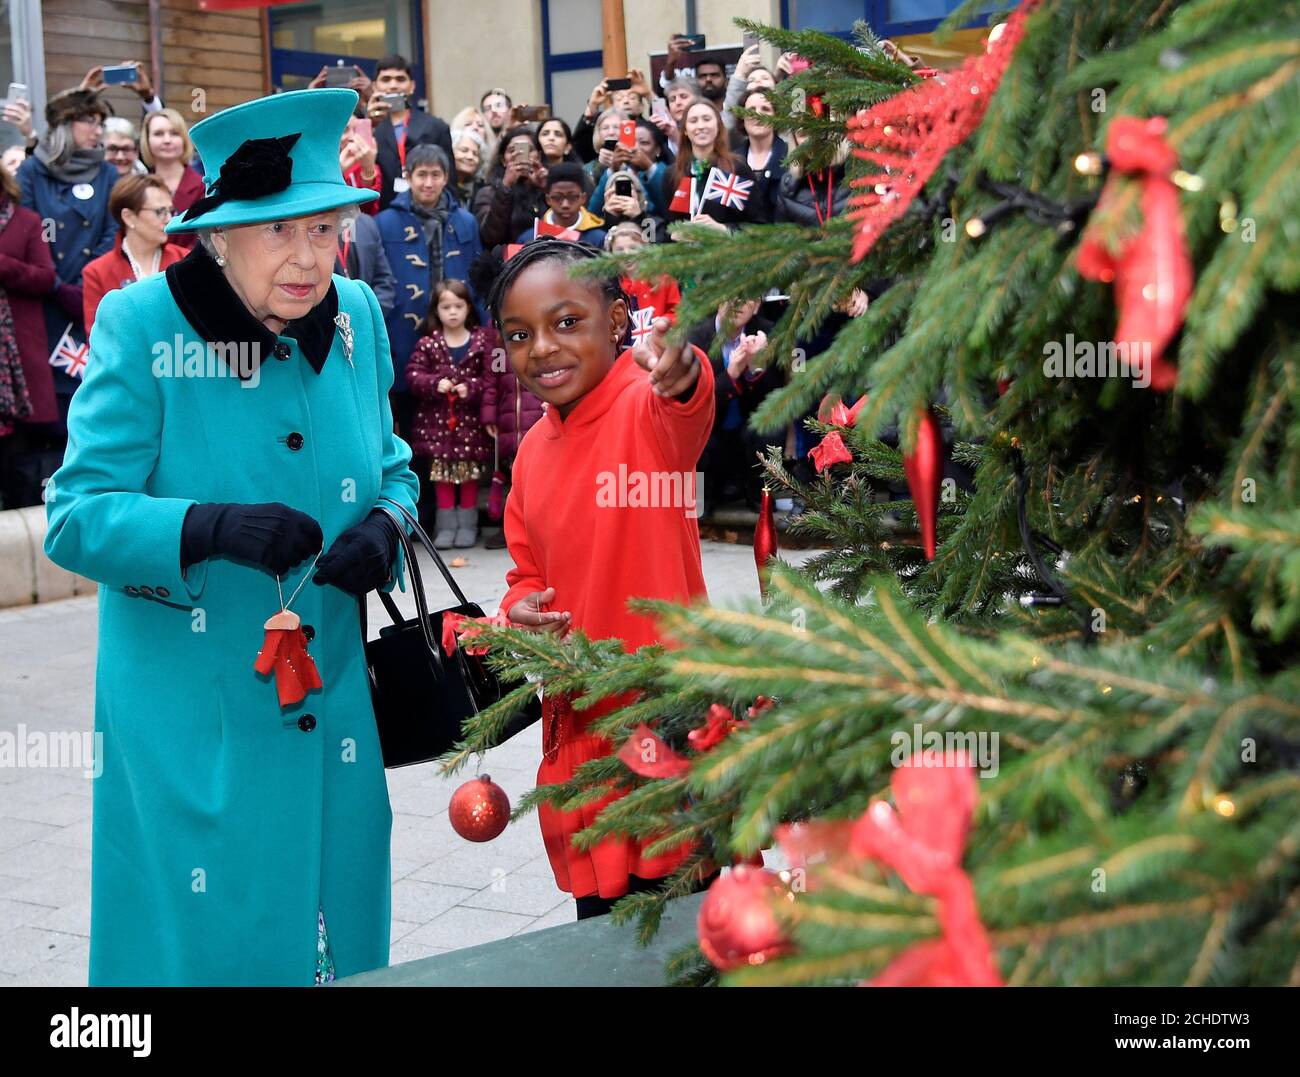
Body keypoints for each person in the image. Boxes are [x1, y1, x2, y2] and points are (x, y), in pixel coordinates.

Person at [43, 86, 419, 987]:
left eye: (324, 228)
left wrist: (385, 525)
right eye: (279, 231)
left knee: (341, 933)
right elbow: (75, 513)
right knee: (205, 948)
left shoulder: (360, 316)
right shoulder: (141, 323)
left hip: (330, 708)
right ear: (217, 234)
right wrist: (205, 527)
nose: (308, 258)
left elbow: (396, 466)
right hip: (193, 721)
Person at [488, 238, 716, 917]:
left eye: (566, 322)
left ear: (618, 322)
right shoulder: (530, 449)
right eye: (520, 334)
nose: (544, 349)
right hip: (582, 730)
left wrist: (682, 372)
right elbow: (524, 571)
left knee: (684, 930)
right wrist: (519, 606)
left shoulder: (645, 408)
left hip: (662, 721)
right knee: (603, 935)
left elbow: (686, 402)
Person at [17, 87, 119, 422]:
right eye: (89, 121)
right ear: (65, 124)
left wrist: (85, 282)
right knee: (53, 397)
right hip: (47, 297)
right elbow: (28, 230)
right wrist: (57, 285)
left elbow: (111, 229)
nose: (98, 130)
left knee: (94, 390)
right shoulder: (32, 170)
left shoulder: (108, 173)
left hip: (90, 295)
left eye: (101, 122)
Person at [377, 143, 484, 445]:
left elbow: (476, 278)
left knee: (456, 416)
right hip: (404, 330)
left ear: (446, 176)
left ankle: (447, 491)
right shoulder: (385, 222)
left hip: (455, 327)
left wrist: (482, 328)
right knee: (408, 414)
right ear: (407, 176)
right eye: (421, 174)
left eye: (435, 175)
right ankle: (415, 490)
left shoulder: (465, 220)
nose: (428, 182)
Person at [405, 279, 495, 548]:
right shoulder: (428, 343)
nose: (453, 312)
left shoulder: (482, 340)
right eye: (446, 307)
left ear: (468, 307)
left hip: (469, 426)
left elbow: (490, 377)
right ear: (437, 310)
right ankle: (446, 527)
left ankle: (468, 525)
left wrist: (472, 387)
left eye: (459, 305)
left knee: (467, 475)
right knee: (442, 475)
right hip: (437, 426)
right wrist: (434, 383)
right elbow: (412, 375)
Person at [688, 298, 783, 517]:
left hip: (746, 430)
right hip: (711, 428)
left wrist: (755, 368)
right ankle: (702, 497)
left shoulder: (768, 332)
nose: (738, 303)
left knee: (771, 427)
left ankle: (761, 493)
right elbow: (691, 403)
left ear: (757, 304)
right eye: (732, 295)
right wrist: (730, 375)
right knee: (695, 433)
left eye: (747, 296)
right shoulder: (695, 337)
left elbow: (774, 399)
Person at [0, 162, 60, 509]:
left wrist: (4, 265)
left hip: (15, 365)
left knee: (15, 462)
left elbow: (44, 277)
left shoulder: (28, 221)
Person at [82, 174, 187, 334]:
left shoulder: (185, 259)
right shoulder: (97, 272)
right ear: (129, 216)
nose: (168, 219)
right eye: (160, 211)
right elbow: (98, 339)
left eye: (170, 211)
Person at [367, 54, 454, 210]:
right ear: (374, 87)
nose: (393, 85)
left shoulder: (436, 126)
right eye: (386, 79)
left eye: (400, 79)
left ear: (412, 86)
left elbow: (450, 182)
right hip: (384, 216)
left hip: (429, 214)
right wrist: (369, 125)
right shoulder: (369, 129)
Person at [663, 98, 762, 233]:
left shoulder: (736, 169)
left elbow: (759, 226)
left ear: (718, 126)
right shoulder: (672, 174)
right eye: (693, 121)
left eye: (707, 119)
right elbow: (666, 226)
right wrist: (674, 234)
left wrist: (723, 229)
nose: (701, 126)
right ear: (685, 130)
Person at [472, 125, 548, 248]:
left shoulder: (547, 186)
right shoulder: (488, 193)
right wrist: (506, 186)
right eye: (512, 150)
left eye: (529, 149)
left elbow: (564, 225)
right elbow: (490, 237)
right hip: (507, 262)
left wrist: (546, 188)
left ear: (538, 155)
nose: (521, 154)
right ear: (503, 160)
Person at [140, 109, 203, 250]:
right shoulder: (138, 188)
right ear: (147, 140)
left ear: (184, 140)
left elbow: (203, 238)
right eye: (158, 134)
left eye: (174, 134)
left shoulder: (202, 187)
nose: (167, 140)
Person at [605, 223, 680, 327]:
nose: (626, 254)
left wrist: (665, 321)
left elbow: (677, 312)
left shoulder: (664, 279)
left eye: (633, 248)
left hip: (659, 338)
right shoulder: (611, 285)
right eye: (619, 250)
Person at [518, 163, 606, 248]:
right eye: (557, 197)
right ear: (548, 199)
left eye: (572, 197)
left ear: (583, 198)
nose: (565, 205)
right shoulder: (530, 238)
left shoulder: (598, 239)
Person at [736, 88, 786, 224]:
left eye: (765, 109)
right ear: (742, 118)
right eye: (751, 110)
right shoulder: (730, 162)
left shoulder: (792, 157)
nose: (758, 114)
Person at [339, 116, 382, 214]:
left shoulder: (370, 165)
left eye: (356, 130)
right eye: (345, 130)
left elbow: (368, 211)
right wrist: (338, 170)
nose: (352, 137)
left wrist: (368, 170)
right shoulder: (325, 164)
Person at [450, 127, 487, 206]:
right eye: (464, 150)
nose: (470, 157)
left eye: (475, 154)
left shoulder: (481, 190)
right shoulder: (440, 185)